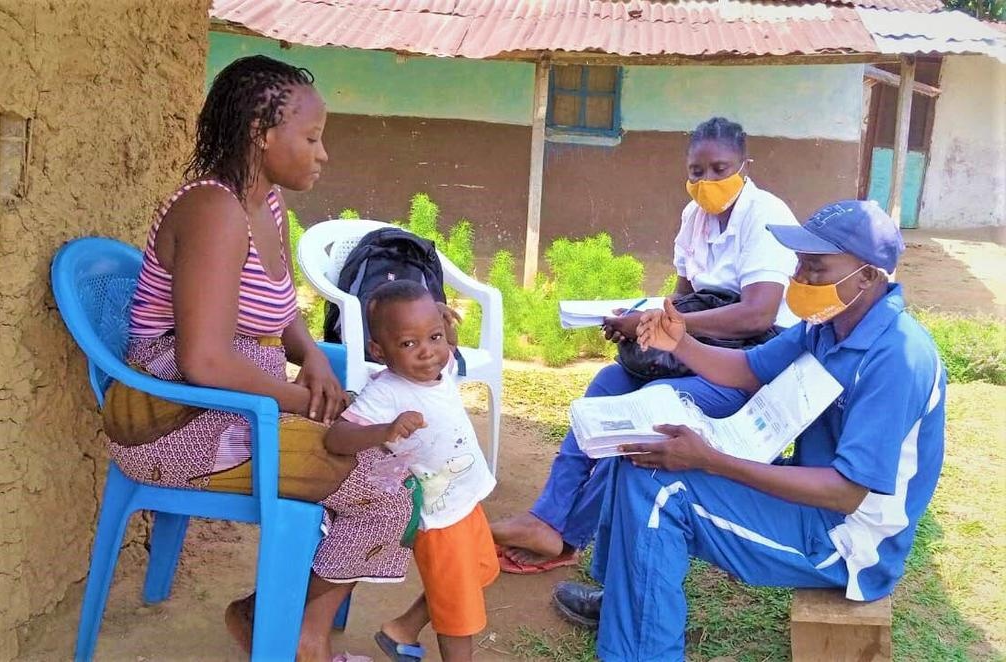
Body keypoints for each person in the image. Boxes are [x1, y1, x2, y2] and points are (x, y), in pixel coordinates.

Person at [104, 55, 414, 662]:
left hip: (239, 409)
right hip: (179, 420)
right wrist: (306, 401)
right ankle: (298, 634)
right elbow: (204, 362)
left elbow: (279, 313)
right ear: (261, 134)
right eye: (312, 137)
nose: (323, 154)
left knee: (394, 460)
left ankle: (290, 624)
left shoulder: (266, 204)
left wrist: (313, 361)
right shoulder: (214, 211)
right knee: (383, 481)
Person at [552, 200, 946, 661]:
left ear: (869, 277)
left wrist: (712, 461)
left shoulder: (898, 356)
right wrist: (680, 341)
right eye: (799, 263)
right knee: (641, 454)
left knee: (663, 491)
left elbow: (846, 492)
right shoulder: (828, 324)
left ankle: (641, 647)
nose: (800, 278)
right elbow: (749, 368)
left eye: (815, 268)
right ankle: (624, 600)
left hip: (847, 541)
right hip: (811, 499)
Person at [492, 117, 801, 573]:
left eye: (720, 169)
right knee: (604, 388)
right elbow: (681, 294)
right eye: (697, 171)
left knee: (646, 413)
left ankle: (566, 537)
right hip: (695, 348)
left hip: (747, 361)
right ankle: (547, 517)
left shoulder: (765, 216)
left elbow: (757, 313)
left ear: (744, 165)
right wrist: (637, 323)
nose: (707, 181)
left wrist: (665, 326)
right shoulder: (694, 217)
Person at [325, 281, 498, 662]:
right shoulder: (388, 393)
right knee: (459, 612)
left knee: (479, 572)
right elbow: (337, 437)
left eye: (434, 337)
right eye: (408, 344)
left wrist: (444, 325)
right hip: (437, 517)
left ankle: (401, 629)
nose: (427, 352)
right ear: (379, 351)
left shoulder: (442, 367)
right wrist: (384, 431)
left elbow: (446, 346)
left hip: (466, 500)